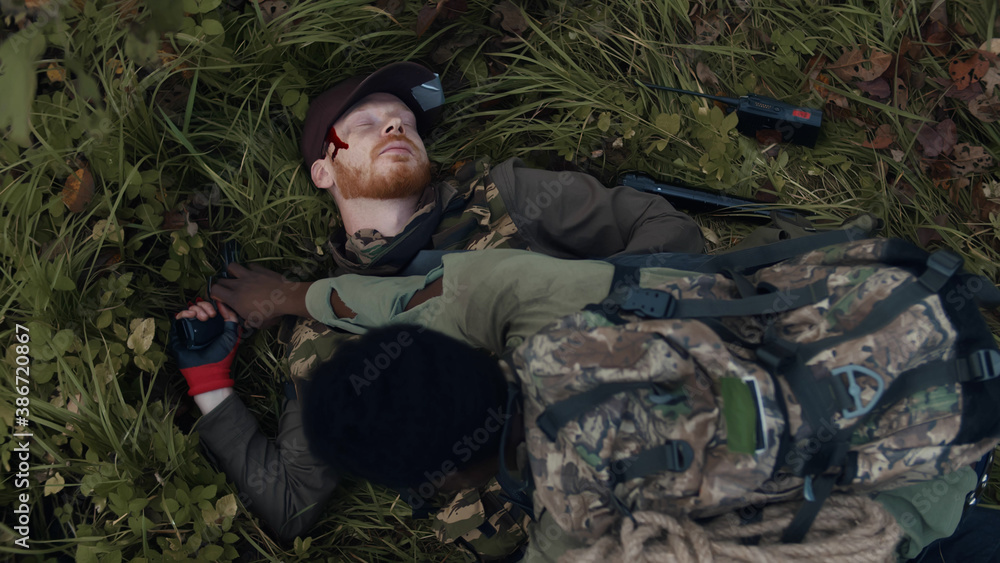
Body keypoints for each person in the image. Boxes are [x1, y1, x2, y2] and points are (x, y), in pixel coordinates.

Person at [175, 60, 706, 553]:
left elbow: (671, 233)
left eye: (406, 121)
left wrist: (594, 313)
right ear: (323, 171)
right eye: (365, 123)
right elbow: (292, 506)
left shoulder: (505, 197)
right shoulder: (318, 335)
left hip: (676, 420)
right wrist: (208, 384)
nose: (395, 127)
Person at [175, 248, 978, 560]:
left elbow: (287, 504)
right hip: (911, 321)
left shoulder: (573, 525)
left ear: (449, 479)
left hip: (921, 494)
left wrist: (209, 385)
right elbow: (436, 296)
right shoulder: (554, 311)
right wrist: (291, 295)